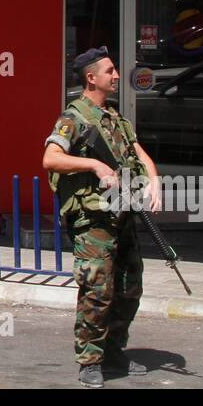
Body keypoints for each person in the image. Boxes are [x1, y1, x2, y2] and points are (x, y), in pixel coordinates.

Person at [43, 46, 163, 388]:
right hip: (93, 221)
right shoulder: (73, 118)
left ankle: (113, 351)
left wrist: (153, 181)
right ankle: (90, 360)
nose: (115, 75)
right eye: (109, 70)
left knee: (130, 287)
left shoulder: (115, 119)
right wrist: (93, 164)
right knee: (97, 290)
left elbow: (139, 153)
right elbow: (50, 159)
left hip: (122, 215)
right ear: (91, 77)